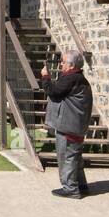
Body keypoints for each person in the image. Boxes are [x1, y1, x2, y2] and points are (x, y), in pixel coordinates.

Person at [39, 50, 94, 199]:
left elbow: (53, 91)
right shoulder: (78, 79)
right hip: (76, 126)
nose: (61, 64)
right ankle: (81, 186)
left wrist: (45, 76)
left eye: (63, 62)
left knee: (67, 157)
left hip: (69, 127)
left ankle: (70, 189)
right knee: (75, 157)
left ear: (71, 65)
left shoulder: (71, 79)